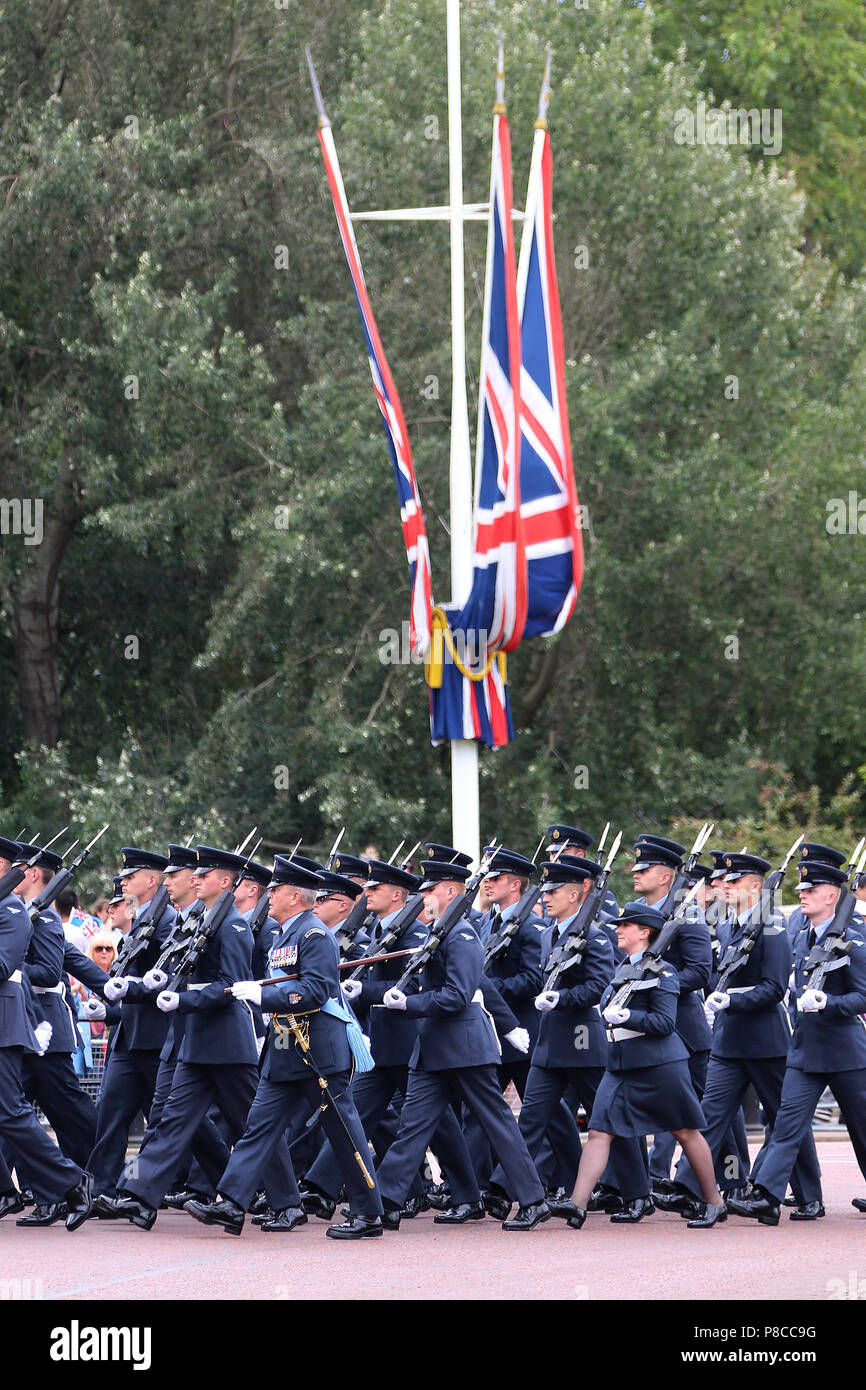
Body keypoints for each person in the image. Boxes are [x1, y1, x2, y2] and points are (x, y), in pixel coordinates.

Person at [185, 857, 384, 1238]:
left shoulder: (314, 935)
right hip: (284, 1047)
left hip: (318, 1052)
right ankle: (231, 1201)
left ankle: (368, 1213)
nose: (268, 895)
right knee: (257, 1128)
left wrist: (263, 996)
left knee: (343, 1132)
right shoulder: (284, 935)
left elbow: (315, 990)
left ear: (295, 896)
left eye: (275, 890)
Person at [369, 875, 550, 1233]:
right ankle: (385, 1203)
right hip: (433, 1049)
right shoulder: (438, 932)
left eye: (430, 889)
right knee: (412, 1128)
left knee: (497, 1125)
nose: (423, 896)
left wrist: (409, 1003)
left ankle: (534, 1200)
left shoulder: (461, 934)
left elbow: (458, 994)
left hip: (465, 1047)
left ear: (451, 892)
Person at [659, 852, 822, 1218]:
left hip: (766, 1042)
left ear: (755, 886)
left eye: (733, 882)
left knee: (784, 1118)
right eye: (725, 882)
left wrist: (730, 999)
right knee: (710, 1114)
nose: (725, 888)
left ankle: (810, 1193)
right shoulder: (729, 925)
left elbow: (774, 987)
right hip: (729, 1041)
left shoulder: (773, 926)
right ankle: (689, 1186)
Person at [729, 849, 866, 1225]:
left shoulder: (852, 939)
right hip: (805, 1050)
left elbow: (863, 996)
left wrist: (829, 1001)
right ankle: (768, 1197)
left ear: (832, 897)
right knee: (786, 1124)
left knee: (862, 1127)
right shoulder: (801, 937)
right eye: (802, 888)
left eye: (812, 888)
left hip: (845, 1052)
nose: (803, 894)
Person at [568, 904, 725, 1230]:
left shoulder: (663, 971)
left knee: (684, 1131)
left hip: (660, 1064)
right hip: (621, 1064)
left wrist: (629, 1017)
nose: (618, 930)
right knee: (599, 1132)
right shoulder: (622, 969)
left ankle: (714, 1202)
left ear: (645, 933)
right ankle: (576, 1205)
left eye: (627, 926)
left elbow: (665, 1022)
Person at [0, 834, 92, 1230]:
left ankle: (72, 1180)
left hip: (7, 1025)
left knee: (14, 1112)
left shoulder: (13, 911)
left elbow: (5, 968)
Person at [83, 846, 175, 1201]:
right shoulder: (141, 924)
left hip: (154, 1039)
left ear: (152, 880)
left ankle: (212, 1180)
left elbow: (161, 984)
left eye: (130, 878)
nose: (123, 884)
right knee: (110, 1118)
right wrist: (108, 1012)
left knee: (172, 1123)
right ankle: (104, 1189)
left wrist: (127, 992)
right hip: (127, 1038)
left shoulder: (166, 922)